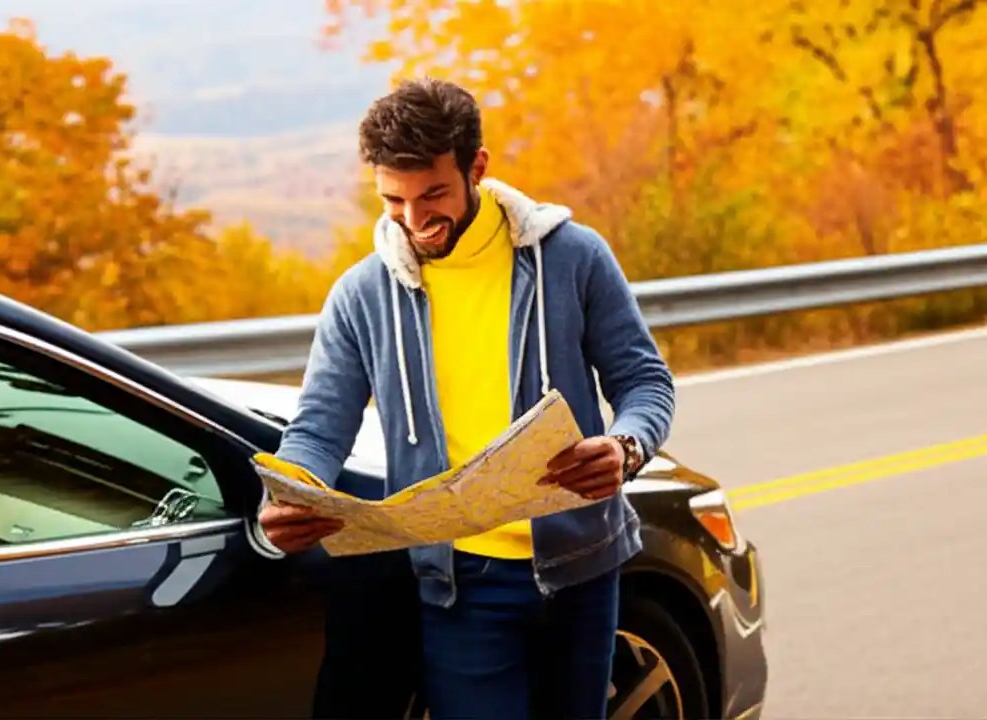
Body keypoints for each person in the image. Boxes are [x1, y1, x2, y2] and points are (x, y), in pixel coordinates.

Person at [257, 77, 676, 720]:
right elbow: (318, 428)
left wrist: (627, 445)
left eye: (434, 195)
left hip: (580, 569)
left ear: (475, 167)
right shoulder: (361, 296)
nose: (416, 221)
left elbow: (644, 382)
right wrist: (290, 491)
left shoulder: (573, 258)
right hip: (459, 587)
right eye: (394, 201)